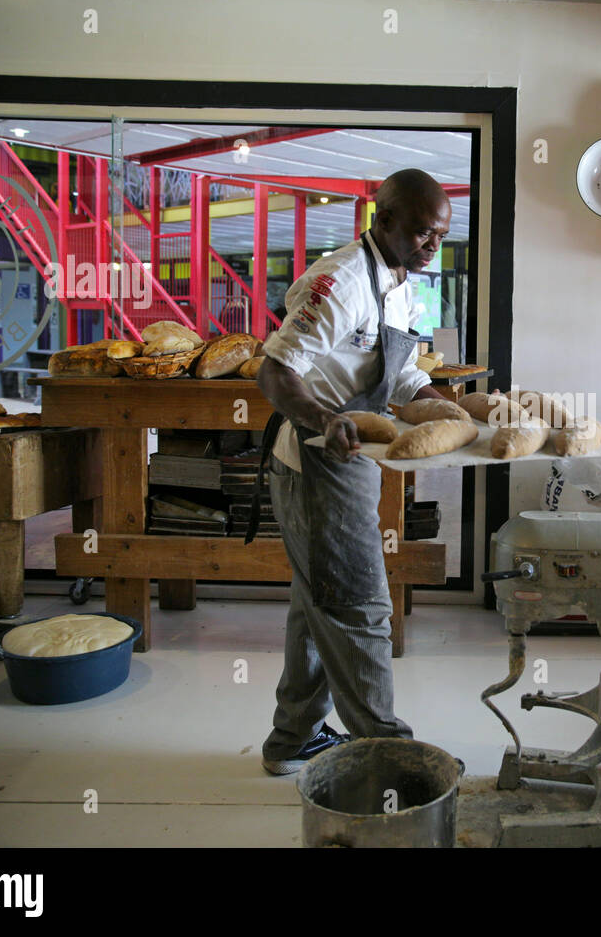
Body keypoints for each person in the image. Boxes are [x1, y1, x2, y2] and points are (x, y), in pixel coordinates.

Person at [249, 168, 453, 775]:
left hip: (356, 458)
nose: (431, 246)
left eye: (439, 235)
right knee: (359, 607)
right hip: (317, 462)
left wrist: (445, 404)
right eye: (421, 233)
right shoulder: (338, 281)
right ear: (382, 220)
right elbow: (275, 372)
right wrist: (324, 419)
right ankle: (389, 759)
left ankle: (292, 740)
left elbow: (401, 376)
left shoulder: (401, 282)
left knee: (319, 603)